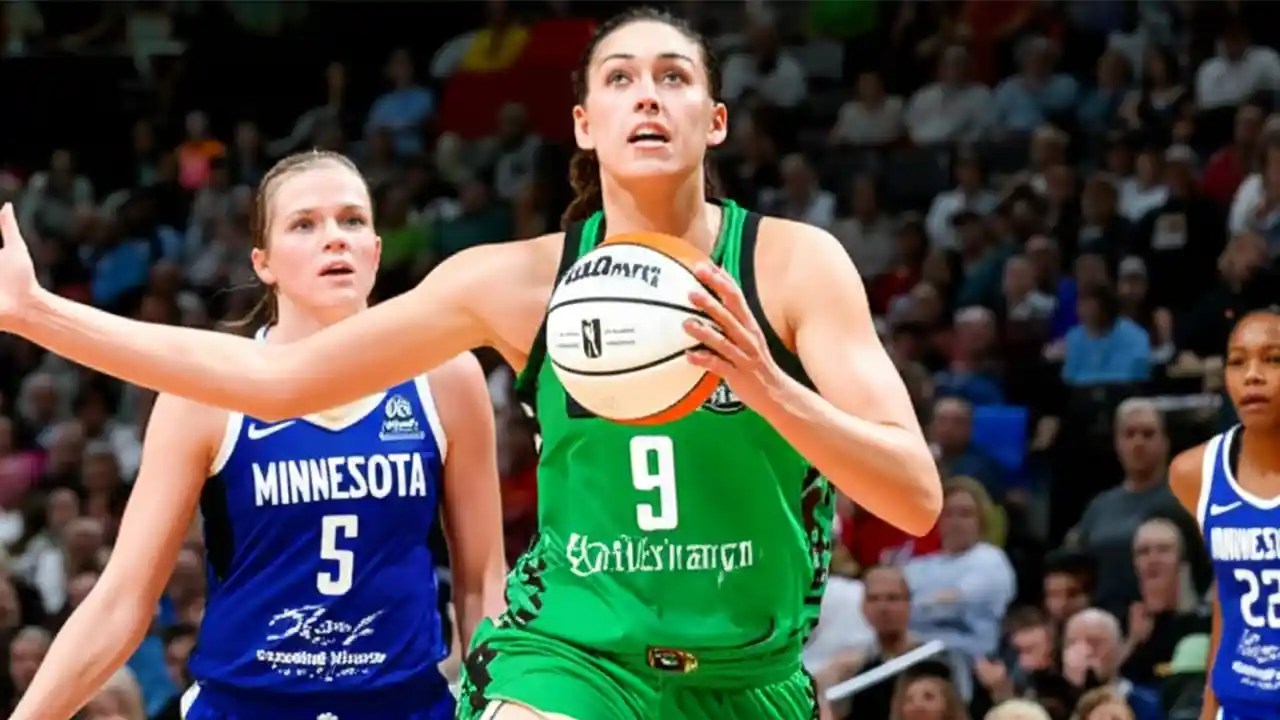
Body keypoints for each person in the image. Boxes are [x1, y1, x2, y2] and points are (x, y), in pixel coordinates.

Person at [0, 8, 941, 719]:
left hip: (748, 671)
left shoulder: (792, 266)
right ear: (584, 123)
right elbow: (281, 381)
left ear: (717, 120)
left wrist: (767, 387)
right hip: (573, 658)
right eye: (620, 78)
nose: (648, 95)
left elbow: (913, 497)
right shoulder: (510, 283)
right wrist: (40, 315)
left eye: (673, 76)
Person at [5, 151, 507, 720]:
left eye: (352, 220)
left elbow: (481, 583)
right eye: (304, 224)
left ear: (375, 251)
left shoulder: (446, 378)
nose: (334, 238)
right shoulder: (202, 396)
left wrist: (489, 706)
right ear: (263, 263)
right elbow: (122, 602)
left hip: (404, 706)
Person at [1168, 308, 1280, 720]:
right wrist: (1208, 708)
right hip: (1237, 705)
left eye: (1273, 359)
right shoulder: (1195, 472)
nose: (1252, 375)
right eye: (1237, 361)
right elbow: (1227, 597)